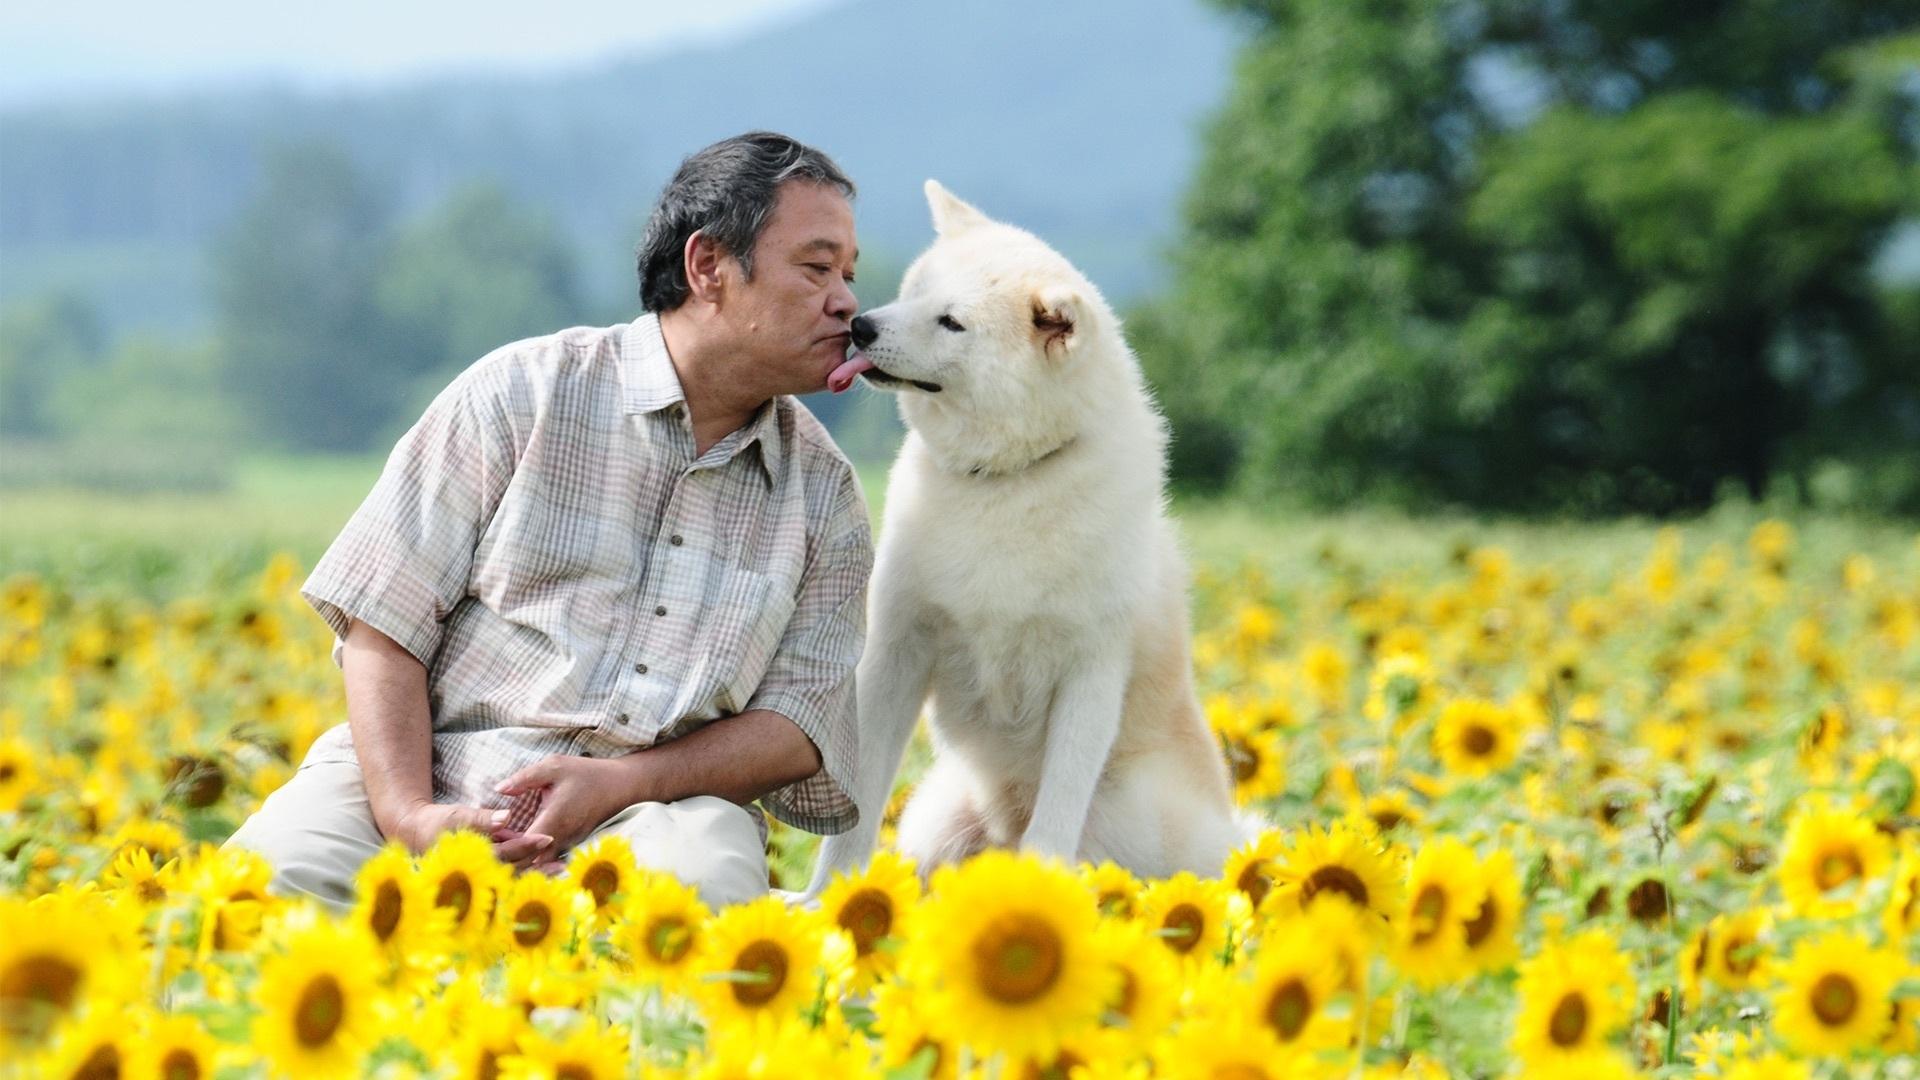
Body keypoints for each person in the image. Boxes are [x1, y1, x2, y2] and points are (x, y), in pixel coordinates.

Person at [224, 131, 872, 912]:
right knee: (264, 884)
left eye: (848, 275)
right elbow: (383, 621)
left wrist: (623, 782)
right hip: (432, 772)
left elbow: (797, 723)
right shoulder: (521, 394)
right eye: (817, 267)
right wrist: (411, 815)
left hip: (651, 813)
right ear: (708, 267)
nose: (846, 301)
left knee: (696, 902)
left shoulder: (826, 493)